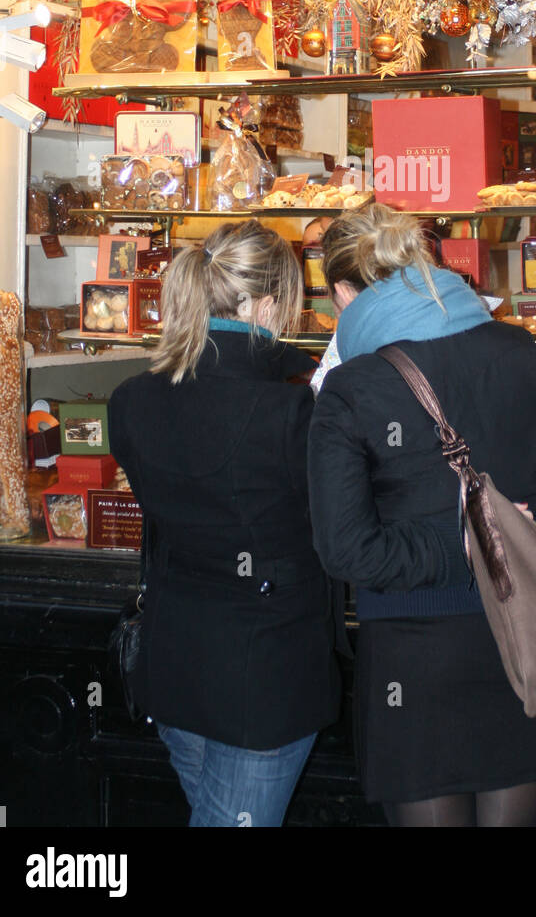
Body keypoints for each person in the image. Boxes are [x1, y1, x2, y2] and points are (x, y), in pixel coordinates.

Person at [307, 203, 536, 828]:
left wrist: (463, 543)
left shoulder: (352, 388)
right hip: (529, 634)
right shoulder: (520, 351)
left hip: (414, 657)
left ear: (344, 293)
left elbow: (347, 552)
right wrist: (502, 541)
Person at [109, 220, 341, 827]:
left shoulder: (131, 400)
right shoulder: (295, 412)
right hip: (264, 674)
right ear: (266, 302)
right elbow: (338, 533)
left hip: (172, 660)